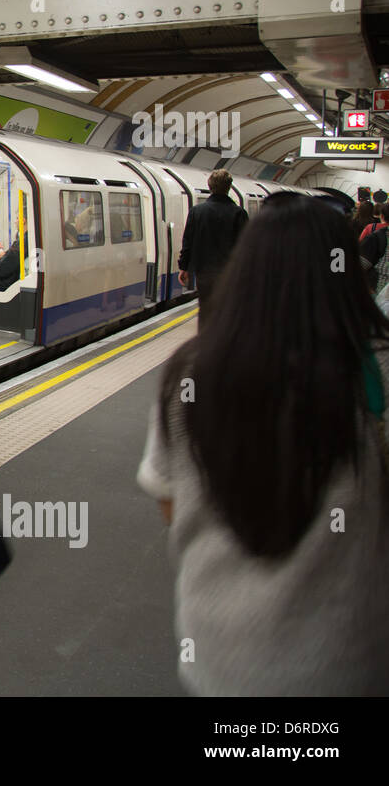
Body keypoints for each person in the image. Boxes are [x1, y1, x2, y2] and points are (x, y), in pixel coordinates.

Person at [137, 193, 389, 694]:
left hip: (217, 651)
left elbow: (168, 500)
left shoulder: (191, 370)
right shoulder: (377, 367)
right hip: (345, 657)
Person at [176, 169, 247, 323]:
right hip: (231, 272)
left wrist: (184, 267)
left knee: (206, 308)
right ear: (229, 187)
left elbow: (188, 241)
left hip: (204, 271)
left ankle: (206, 341)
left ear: (210, 186)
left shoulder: (197, 212)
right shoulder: (239, 213)